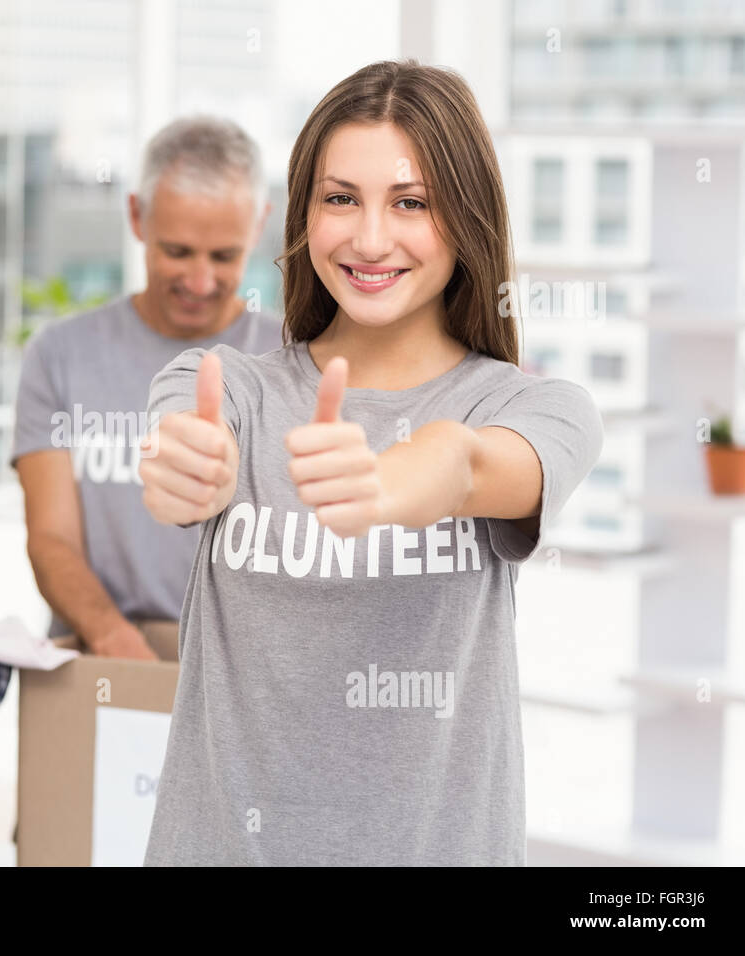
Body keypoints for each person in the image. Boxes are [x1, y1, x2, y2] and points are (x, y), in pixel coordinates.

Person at [138, 61, 604, 865]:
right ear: (303, 213)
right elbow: (181, 435)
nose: (370, 238)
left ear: (466, 217)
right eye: (340, 198)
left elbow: (469, 466)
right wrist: (188, 469)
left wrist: (392, 482)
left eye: (411, 202)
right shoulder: (227, 388)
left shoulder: (534, 409)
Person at [12, 116, 281, 659]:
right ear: (137, 216)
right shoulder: (59, 356)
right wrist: (112, 636)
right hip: (100, 658)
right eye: (178, 252)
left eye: (224, 256)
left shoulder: (297, 357)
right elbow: (51, 538)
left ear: (259, 227)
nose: (201, 282)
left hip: (245, 670)